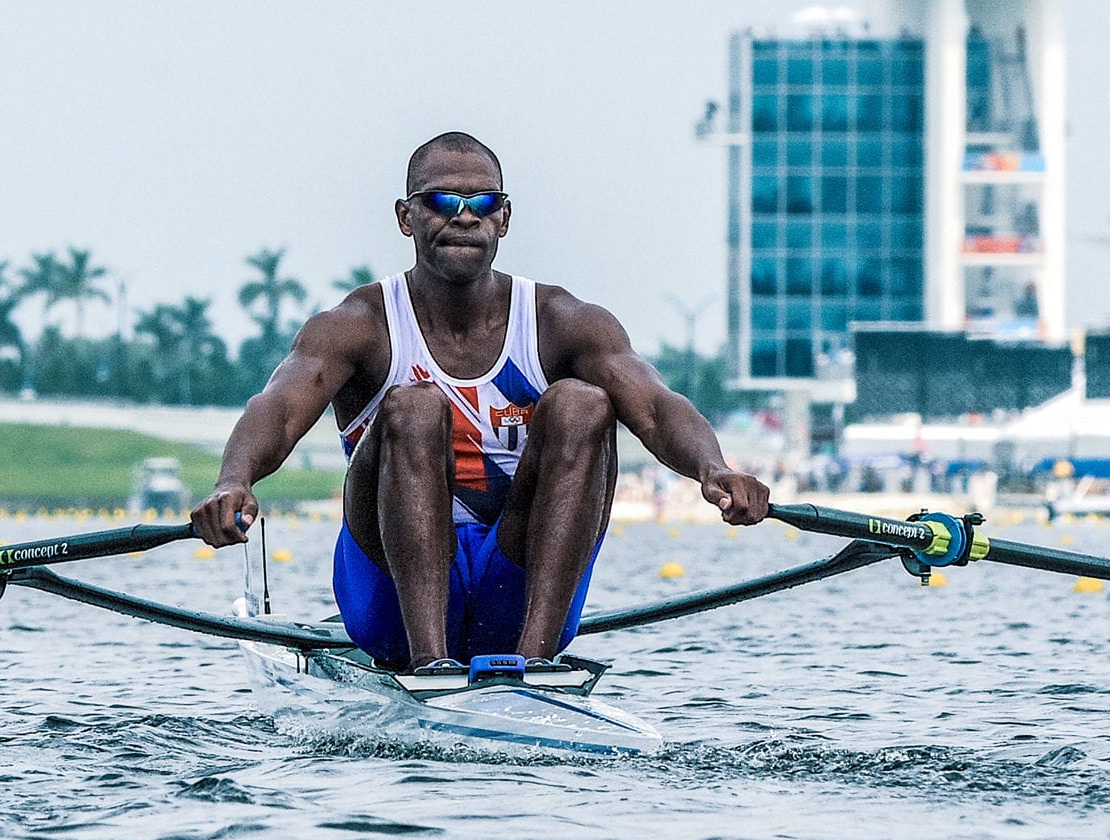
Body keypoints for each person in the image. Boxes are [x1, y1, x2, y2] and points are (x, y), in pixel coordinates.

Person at [191, 132, 771, 672]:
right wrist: (232, 479)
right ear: (406, 217)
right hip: (390, 597)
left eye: (482, 201)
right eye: (441, 200)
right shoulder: (358, 324)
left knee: (582, 404)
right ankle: (431, 666)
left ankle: (535, 665)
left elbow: (654, 406)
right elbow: (280, 407)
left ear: (504, 217)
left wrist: (713, 469)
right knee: (414, 408)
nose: (463, 215)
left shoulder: (561, 322)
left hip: (514, 586)